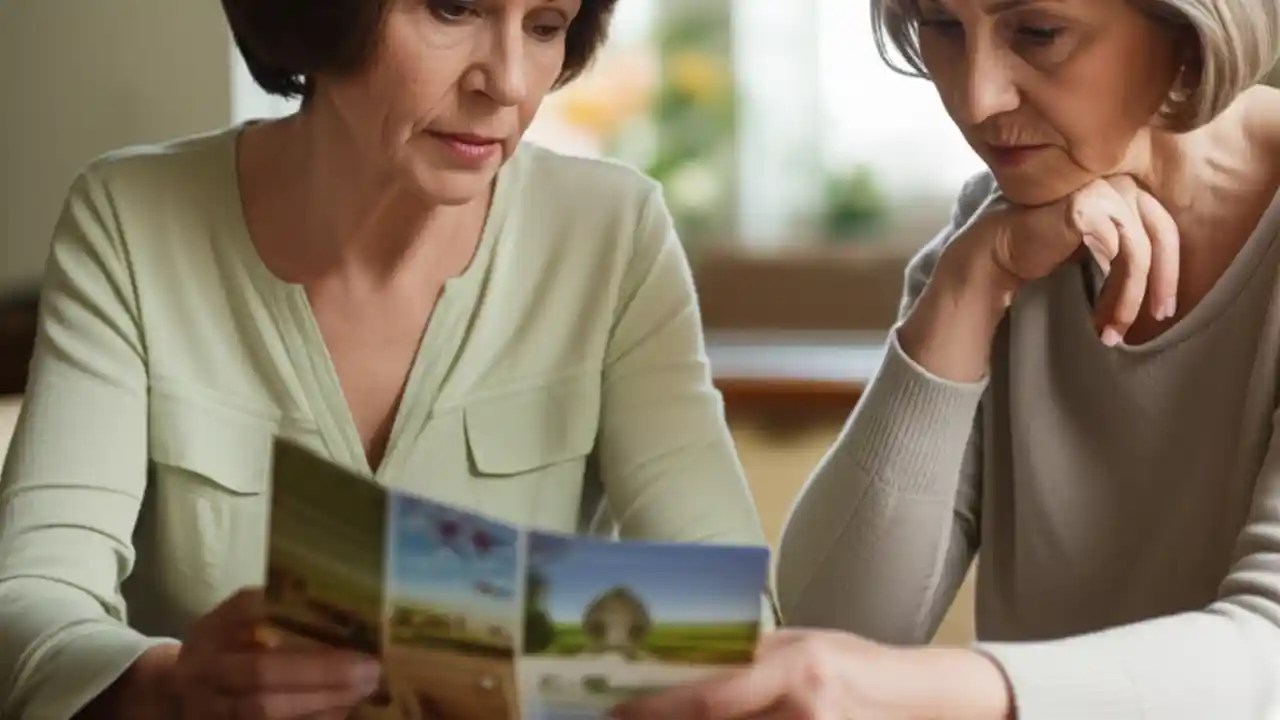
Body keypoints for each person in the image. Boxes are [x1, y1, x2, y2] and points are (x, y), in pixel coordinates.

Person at [0, 0, 770, 717]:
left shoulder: (614, 233)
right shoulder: (130, 218)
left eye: (544, 24)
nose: (507, 83)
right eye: (452, 8)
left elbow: (739, 625)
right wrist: (167, 685)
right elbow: (29, 602)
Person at [613, 0, 1280, 718]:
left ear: (1188, 30)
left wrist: (905, 687)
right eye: (940, 26)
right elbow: (832, 627)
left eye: (1039, 33)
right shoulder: (1003, 233)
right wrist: (970, 283)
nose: (975, 98)